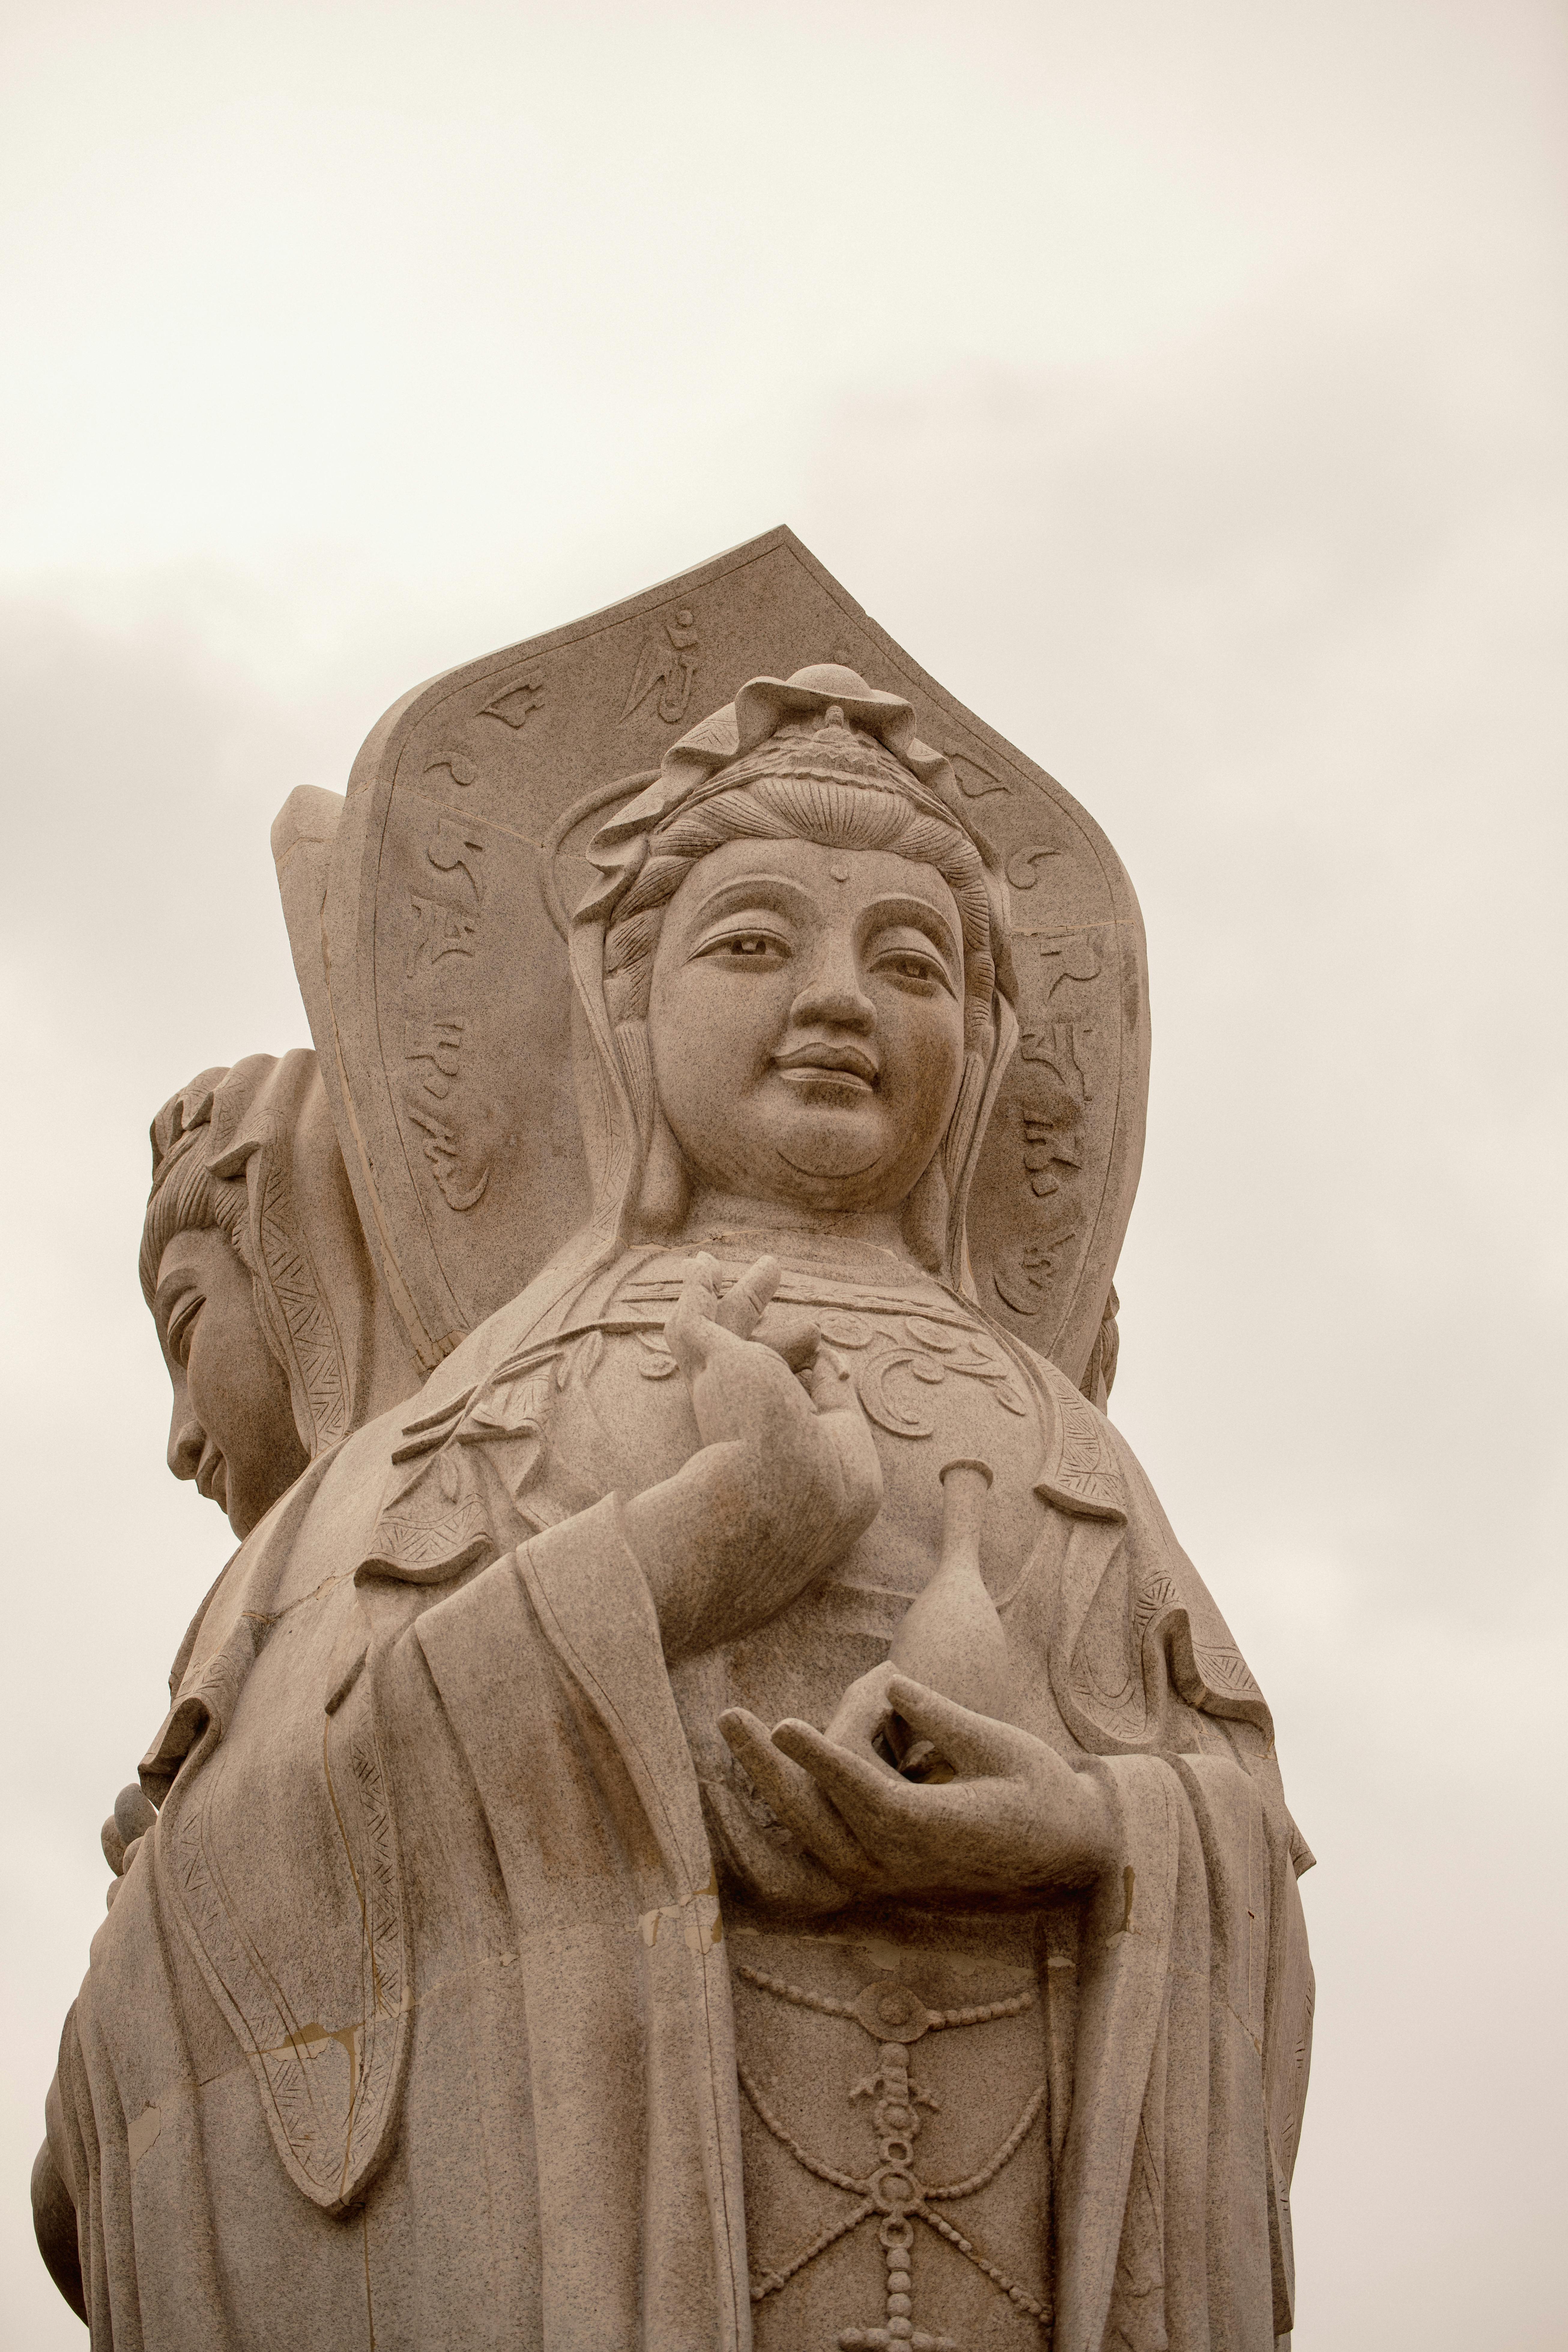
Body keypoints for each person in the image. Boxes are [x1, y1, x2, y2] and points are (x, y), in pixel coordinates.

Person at [39, 669, 1313, 2350]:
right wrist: (697, 1547)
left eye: (911, 963)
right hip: (617, 2239)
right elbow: (264, 1855)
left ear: (984, 1041)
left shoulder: (1053, 1434)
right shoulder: (498, 1409)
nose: (838, 1001)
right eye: (755, 941)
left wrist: (1087, 1829)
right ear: (626, 1010)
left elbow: (1234, 1832)